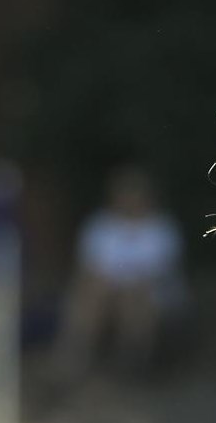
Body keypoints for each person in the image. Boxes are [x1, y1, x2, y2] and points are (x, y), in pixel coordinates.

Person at [50, 165, 188, 385]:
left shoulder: (162, 229)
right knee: (89, 295)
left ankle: (132, 365)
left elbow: (159, 276)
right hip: (106, 293)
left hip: (150, 297)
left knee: (134, 300)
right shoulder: (99, 226)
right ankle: (72, 361)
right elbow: (87, 271)